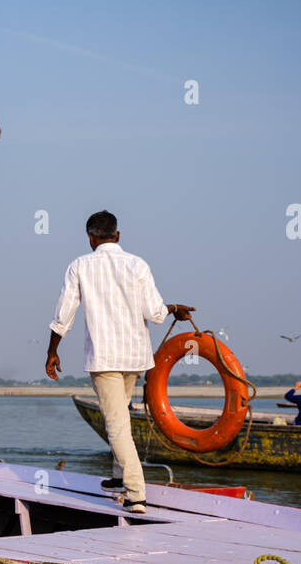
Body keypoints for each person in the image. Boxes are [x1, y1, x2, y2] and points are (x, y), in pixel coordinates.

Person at [45, 211, 194, 513]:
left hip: (105, 359)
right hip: (135, 357)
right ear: (118, 235)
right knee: (120, 418)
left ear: (91, 238)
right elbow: (154, 312)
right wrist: (174, 308)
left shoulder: (80, 266)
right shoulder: (138, 264)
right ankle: (118, 477)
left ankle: (137, 495)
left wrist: (52, 351)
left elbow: (64, 314)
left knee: (117, 426)